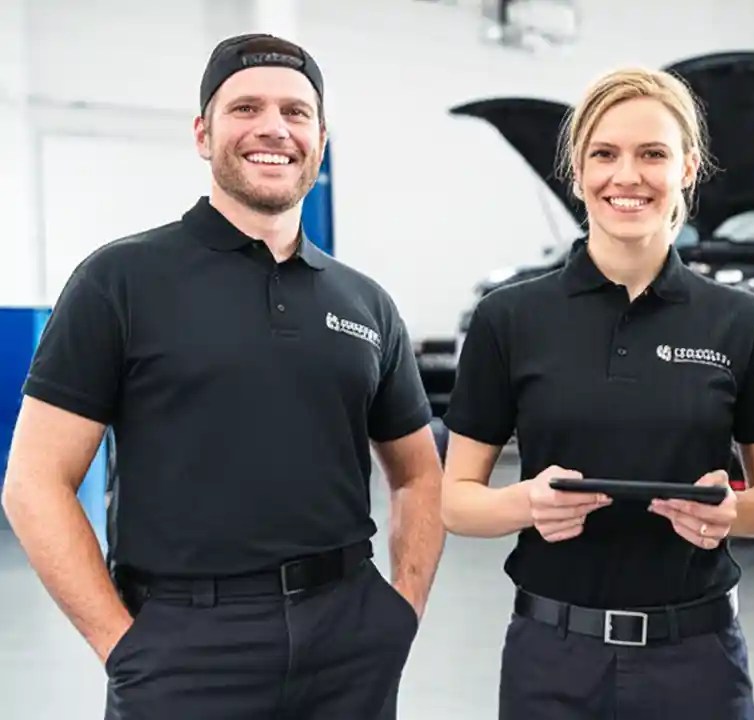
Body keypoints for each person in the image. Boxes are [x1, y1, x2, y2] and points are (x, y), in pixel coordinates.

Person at [0, 33, 445, 719]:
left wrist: (401, 610)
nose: (274, 128)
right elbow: (34, 482)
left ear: (320, 141)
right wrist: (123, 647)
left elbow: (417, 476)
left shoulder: (365, 303)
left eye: (297, 113)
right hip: (185, 645)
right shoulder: (119, 281)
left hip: (349, 637)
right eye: (246, 108)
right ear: (204, 133)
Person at [440, 66, 754, 720]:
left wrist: (730, 516)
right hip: (552, 660)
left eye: (652, 154)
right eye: (604, 154)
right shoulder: (510, 318)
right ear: (577, 172)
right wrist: (525, 504)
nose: (626, 176)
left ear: (688, 167)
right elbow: (457, 504)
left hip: (699, 662)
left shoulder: (741, 321)